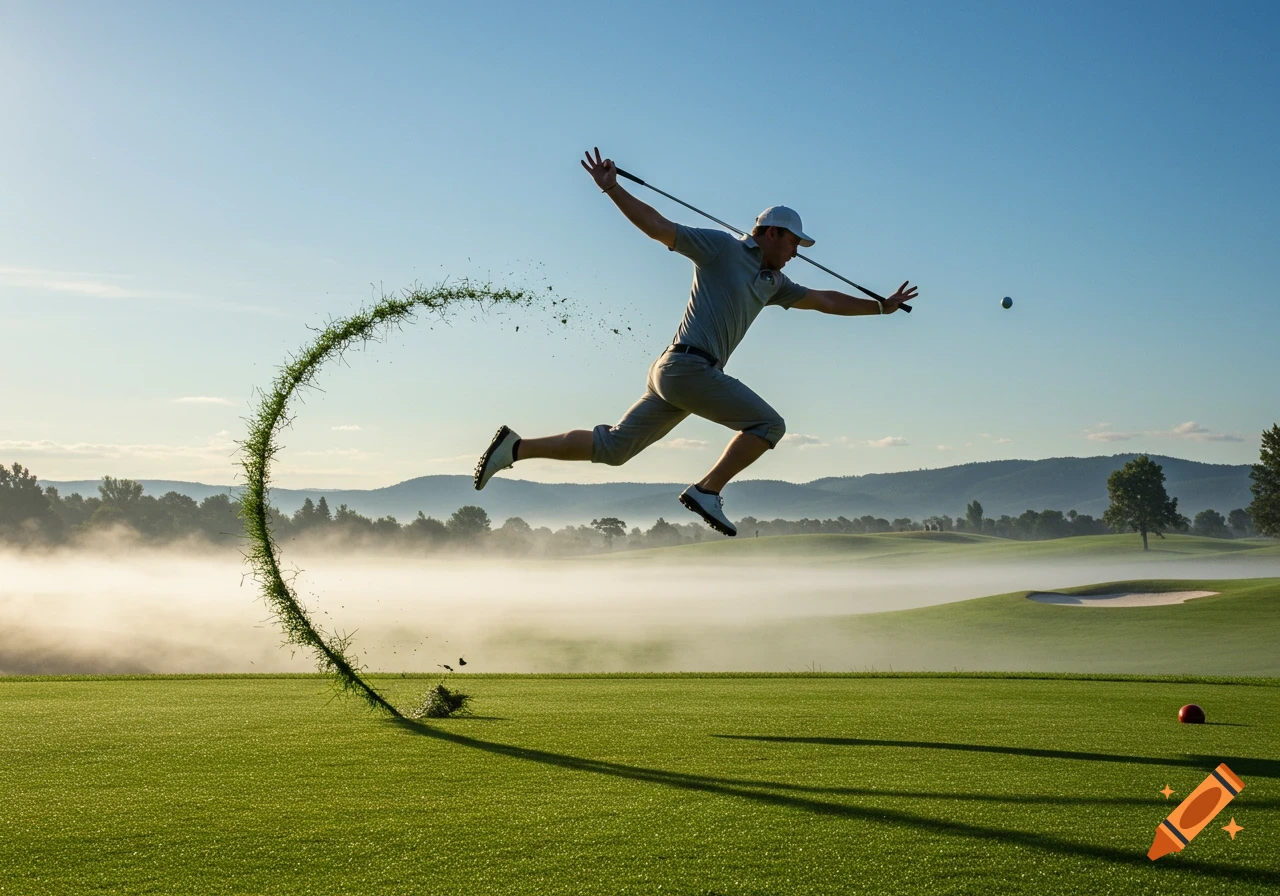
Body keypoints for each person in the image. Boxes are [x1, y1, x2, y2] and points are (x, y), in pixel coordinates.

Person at [474, 148, 917, 536]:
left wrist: (879, 307)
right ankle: (707, 491)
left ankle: (515, 447)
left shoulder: (772, 282)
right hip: (688, 368)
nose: (796, 252)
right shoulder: (721, 249)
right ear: (771, 233)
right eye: (794, 242)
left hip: (678, 373)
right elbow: (659, 227)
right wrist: (612, 190)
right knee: (769, 425)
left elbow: (824, 300)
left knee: (613, 450)